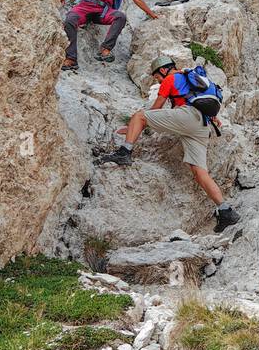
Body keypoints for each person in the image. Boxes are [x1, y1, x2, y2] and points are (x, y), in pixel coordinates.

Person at [103, 53, 240, 233]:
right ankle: (226, 211)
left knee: (139, 115)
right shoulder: (190, 81)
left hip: (188, 116)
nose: (159, 81)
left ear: (162, 70)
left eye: (157, 77)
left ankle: (124, 152)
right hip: (202, 126)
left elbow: (155, 108)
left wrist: (134, 126)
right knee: (199, 171)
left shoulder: (171, 78)